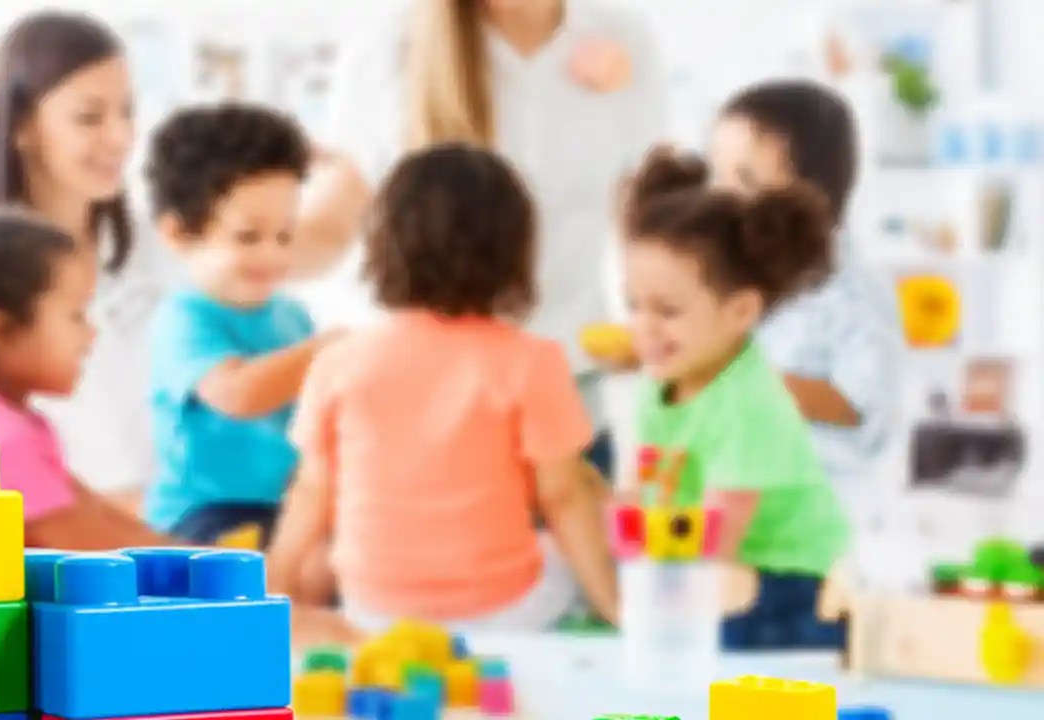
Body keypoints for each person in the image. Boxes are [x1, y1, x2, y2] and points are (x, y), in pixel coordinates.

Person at [295, 0, 670, 477]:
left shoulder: (625, 39)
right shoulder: (387, 51)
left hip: (568, 403)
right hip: (423, 410)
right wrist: (243, 251)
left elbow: (653, 210)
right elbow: (332, 221)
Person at [269, 145, 617, 632]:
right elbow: (562, 497)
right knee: (579, 527)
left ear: (383, 245)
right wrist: (613, 604)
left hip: (374, 608)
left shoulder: (338, 362)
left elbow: (312, 492)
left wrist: (273, 589)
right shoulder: (532, 361)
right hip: (503, 608)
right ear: (514, 251)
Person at [622, 148, 850, 649]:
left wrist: (642, 559)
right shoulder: (659, 384)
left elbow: (715, 540)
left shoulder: (749, 405)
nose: (644, 327)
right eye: (633, 305)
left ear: (740, 310)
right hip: (716, 569)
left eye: (668, 310)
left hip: (791, 583)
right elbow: (655, 497)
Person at [0, 11, 167, 497]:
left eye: (127, 112)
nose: (120, 137)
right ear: (22, 126)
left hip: (168, 533)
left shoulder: (155, 248)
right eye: (90, 117)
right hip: (49, 544)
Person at [0, 210, 177, 549]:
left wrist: (206, 556)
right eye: (76, 315)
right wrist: (220, 569)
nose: (91, 334)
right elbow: (92, 543)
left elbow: (94, 513)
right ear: (2, 331)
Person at [141, 105, 337, 580]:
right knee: (261, 581)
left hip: (283, 505)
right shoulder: (183, 319)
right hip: (203, 516)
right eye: (248, 237)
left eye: (285, 235)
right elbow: (238, 393)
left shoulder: (292, 316)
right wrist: (325, 351)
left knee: (331, 566)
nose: (271, 255)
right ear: (178, 233)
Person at [711, 80, 902, 522]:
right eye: (717, 174)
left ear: (812, 195)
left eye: (746, 179)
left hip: (816, 516)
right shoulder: (738, 275)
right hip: (739, 514)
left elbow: (860, 404)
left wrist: (738, 376)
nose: (722, 196)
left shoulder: (852, 291)